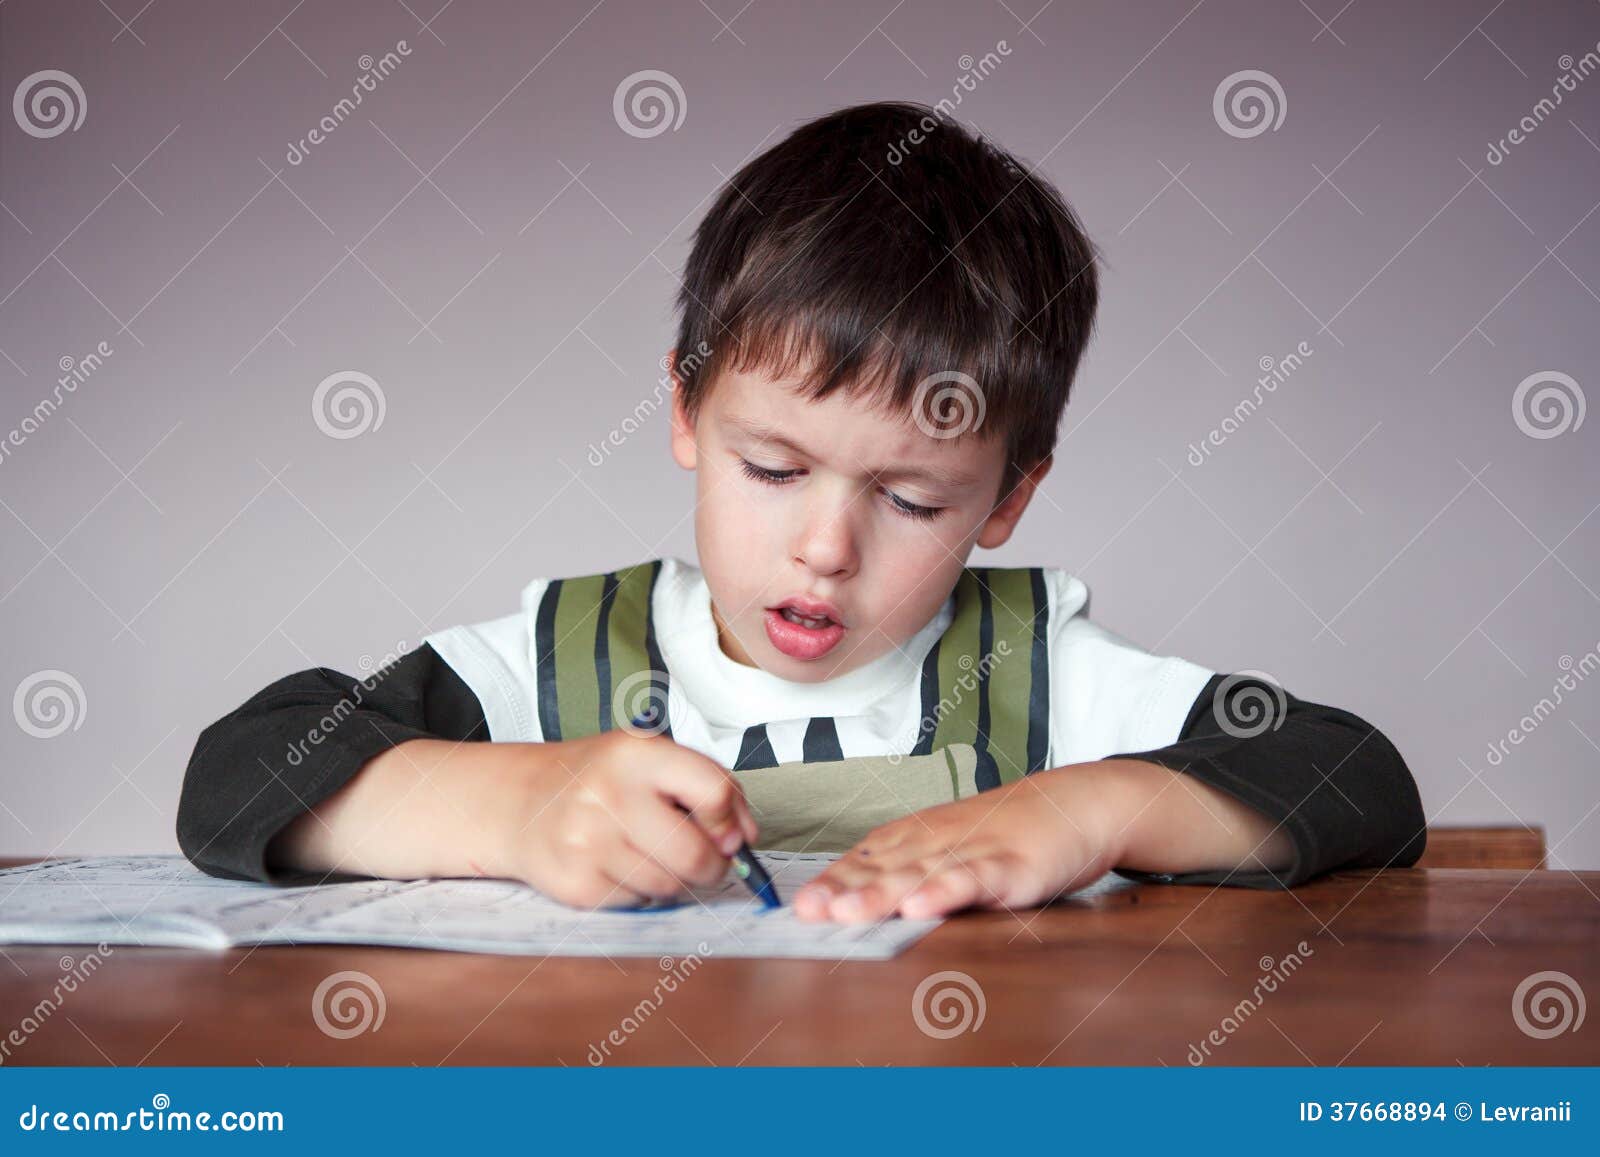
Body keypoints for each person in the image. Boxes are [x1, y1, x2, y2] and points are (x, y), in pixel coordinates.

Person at [177, 101, 1425, 924]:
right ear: (685, 412)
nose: (826, 550)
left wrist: (1086, 807)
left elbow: (1358, 776)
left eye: (911, 497)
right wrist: (517, 804)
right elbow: (238, 773)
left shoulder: (1042, 676)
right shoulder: (558, 665)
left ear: (1008, 496)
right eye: (773, 470)